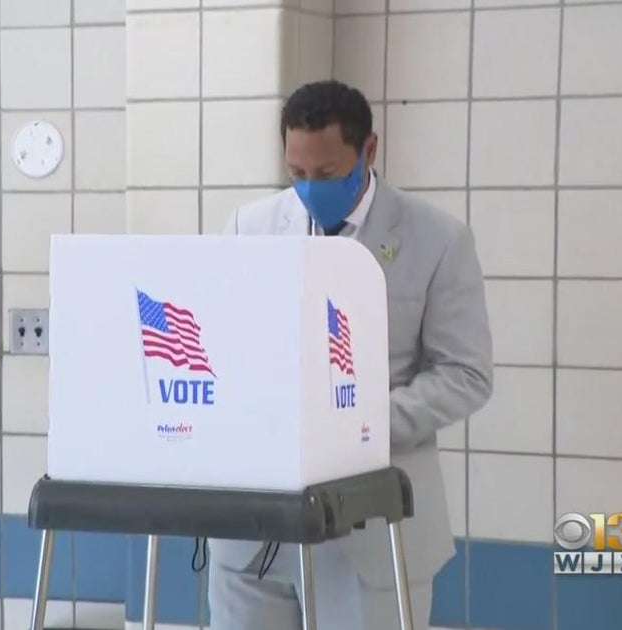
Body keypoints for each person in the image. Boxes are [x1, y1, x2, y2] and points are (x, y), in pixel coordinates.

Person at [208, 80, 494, 630]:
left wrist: (354, 426)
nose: (310, 188)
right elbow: (222, 351)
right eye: (297, 174)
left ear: (368, 151)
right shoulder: (250, 228)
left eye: (328, 173)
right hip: (253, 536)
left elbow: (465, 374)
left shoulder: (437, 239)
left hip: (374, 535)